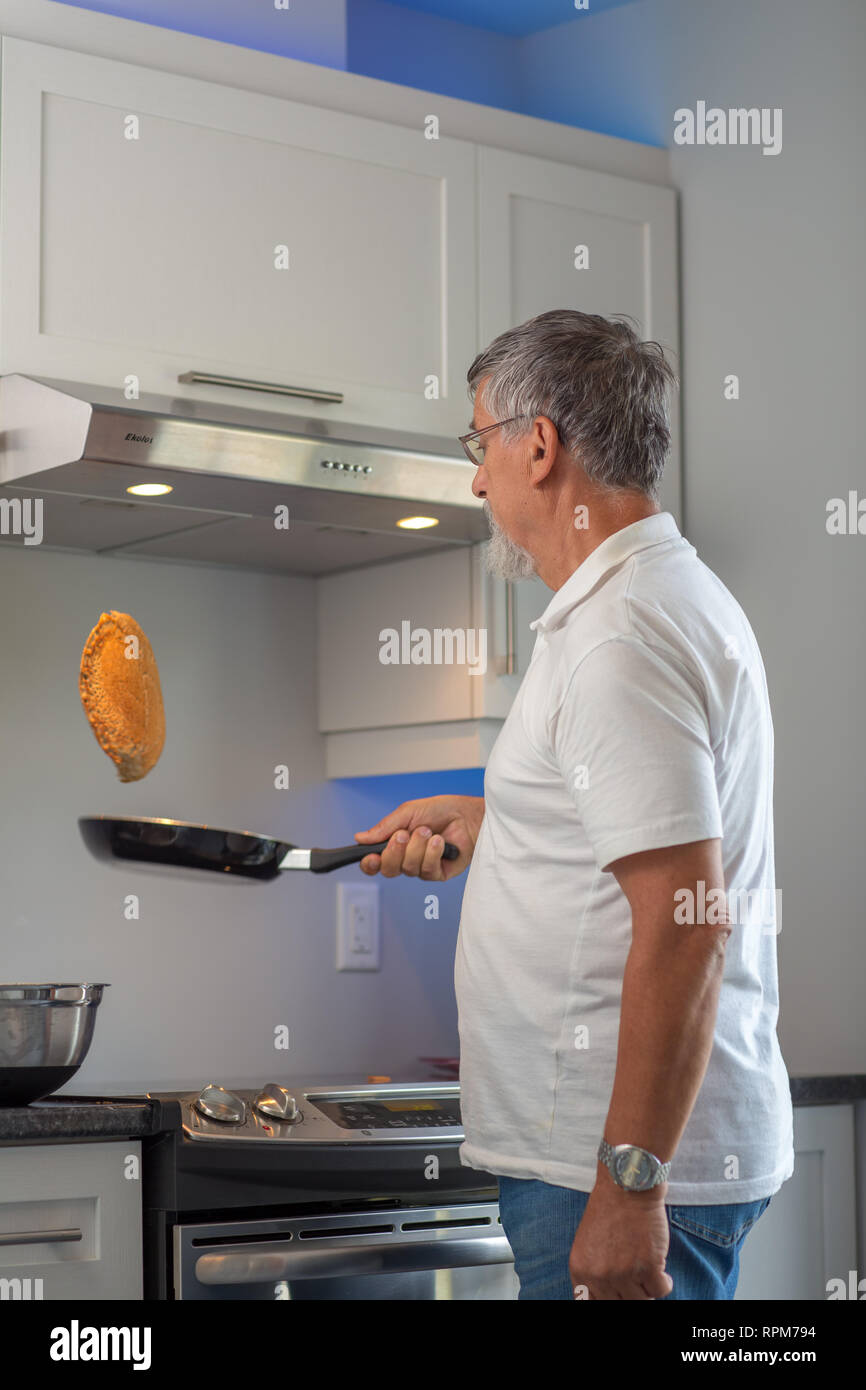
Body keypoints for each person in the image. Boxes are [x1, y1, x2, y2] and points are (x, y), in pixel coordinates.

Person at [354, 309, 794, 1301]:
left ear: (537, 444)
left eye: (480, 444)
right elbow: (638, 838)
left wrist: (628, 1185)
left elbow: (686, 925)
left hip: (612, 1163)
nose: (475, 479)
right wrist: (495, 819)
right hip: (611, 1155)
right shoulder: (649, 601)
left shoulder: (617, 637)